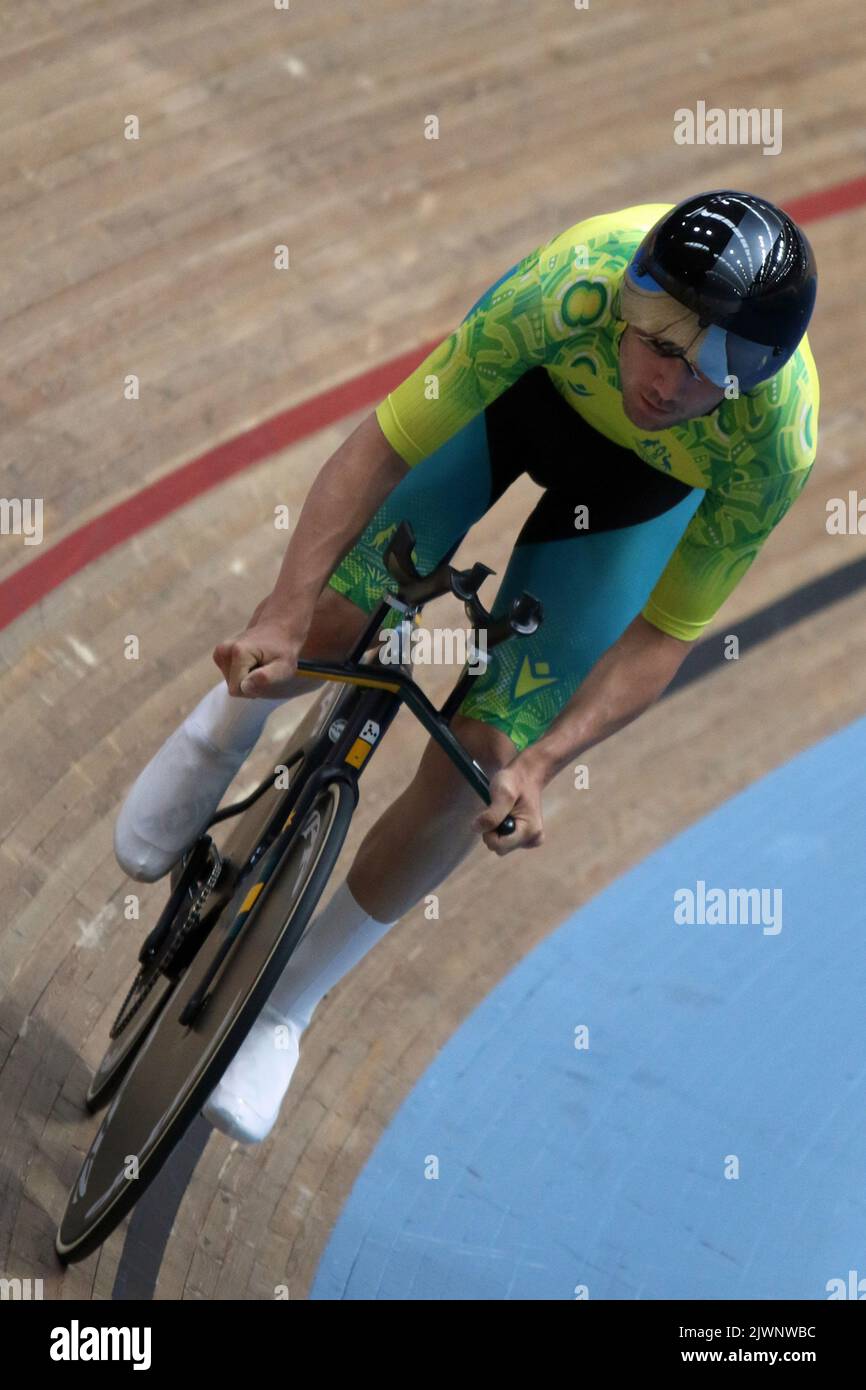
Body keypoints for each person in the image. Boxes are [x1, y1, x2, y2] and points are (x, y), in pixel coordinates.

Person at [114, 189, 819, 1142]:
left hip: (637, 494)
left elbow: (662, 638)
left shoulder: (773, 442)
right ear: (631, 293)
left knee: (479, 760)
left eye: (713, 368)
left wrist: (541, 763)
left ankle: (286, 1009)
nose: (668, 380)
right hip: (517, 406)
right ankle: (217, 734)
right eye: (657, 333)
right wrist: (281, 613)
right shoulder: (571, 288)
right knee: (328, 618)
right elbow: (379, 448)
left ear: (760, 375)